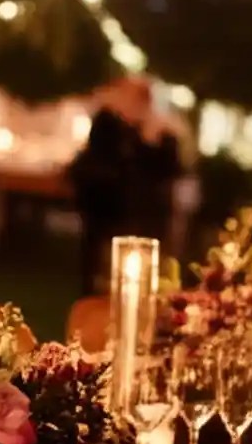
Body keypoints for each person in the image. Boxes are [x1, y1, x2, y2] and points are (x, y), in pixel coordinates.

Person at [70, 77, 182, 295]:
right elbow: (100, 165)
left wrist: (151, 139)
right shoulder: (108, 124)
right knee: (99, 274)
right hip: (107, 212)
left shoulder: (160, 132)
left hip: (145, 216)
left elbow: (169, 169)